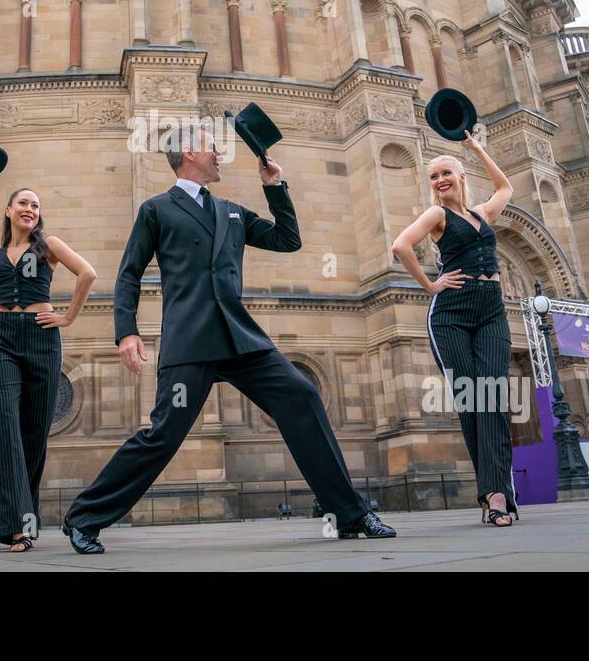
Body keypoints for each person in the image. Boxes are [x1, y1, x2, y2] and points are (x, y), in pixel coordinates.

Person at [61, 123, 395, 553]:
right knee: (163, 435)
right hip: (190, 344)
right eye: (210, 147)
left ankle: (348, 513)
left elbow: (287, 240)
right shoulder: (156, 209)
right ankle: (84, 519)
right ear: (187, 154)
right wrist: (126, 331)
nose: (219, 153)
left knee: (301, 395)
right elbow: (128, 274)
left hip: (240, 341)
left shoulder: (232, 211)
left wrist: (276, 187)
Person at [0, 172, 97, 551]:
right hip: (0, 340)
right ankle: (15, 528)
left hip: (42, 339)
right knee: (6, 427)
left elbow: (87, 273)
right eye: (23, 203)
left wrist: (67, 317)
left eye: (35, 205)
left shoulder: (48, 246)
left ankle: (27, 522)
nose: (30, 209)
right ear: (8, 211)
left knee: (34, 436)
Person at [390, 131, 519, 526]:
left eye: (446, 173)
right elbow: (400, 246)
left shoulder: (482, 214)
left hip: (491, 309)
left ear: (461, 176)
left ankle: (497, 491)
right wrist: (430, 284)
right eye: (433, 176)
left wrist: (477, 149)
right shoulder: (437, 215)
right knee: (472, 399)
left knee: (493, 394)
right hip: (450, 314)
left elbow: (506, 187)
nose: (440, 180)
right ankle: (494, 496)